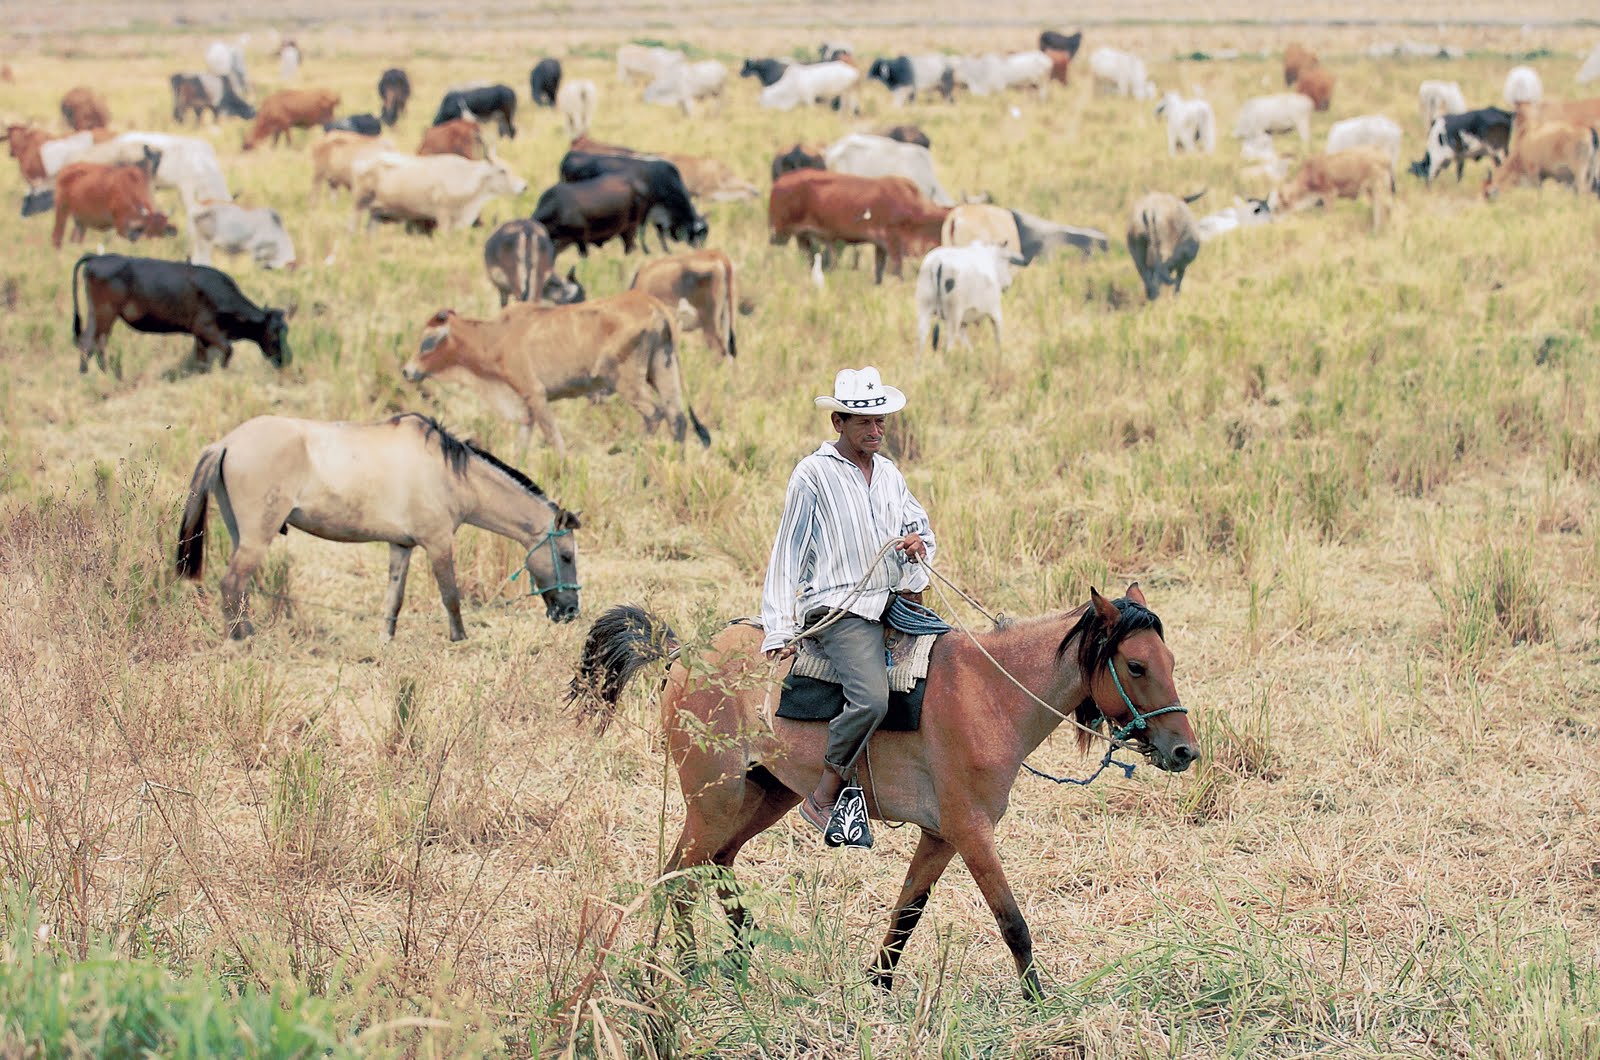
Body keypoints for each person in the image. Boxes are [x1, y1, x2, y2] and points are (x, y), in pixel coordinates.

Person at [761, 367, 936, 847]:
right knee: (872, 698)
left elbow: (921, 528)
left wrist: (918, 546)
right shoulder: (813, 474)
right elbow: (788, 550)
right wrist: (778, 627)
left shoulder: (890, 474)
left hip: (892, 600)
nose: (876, 430)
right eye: (864, 422)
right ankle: (824, 793)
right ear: (838, 422)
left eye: (881, 421)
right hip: (841, 608)